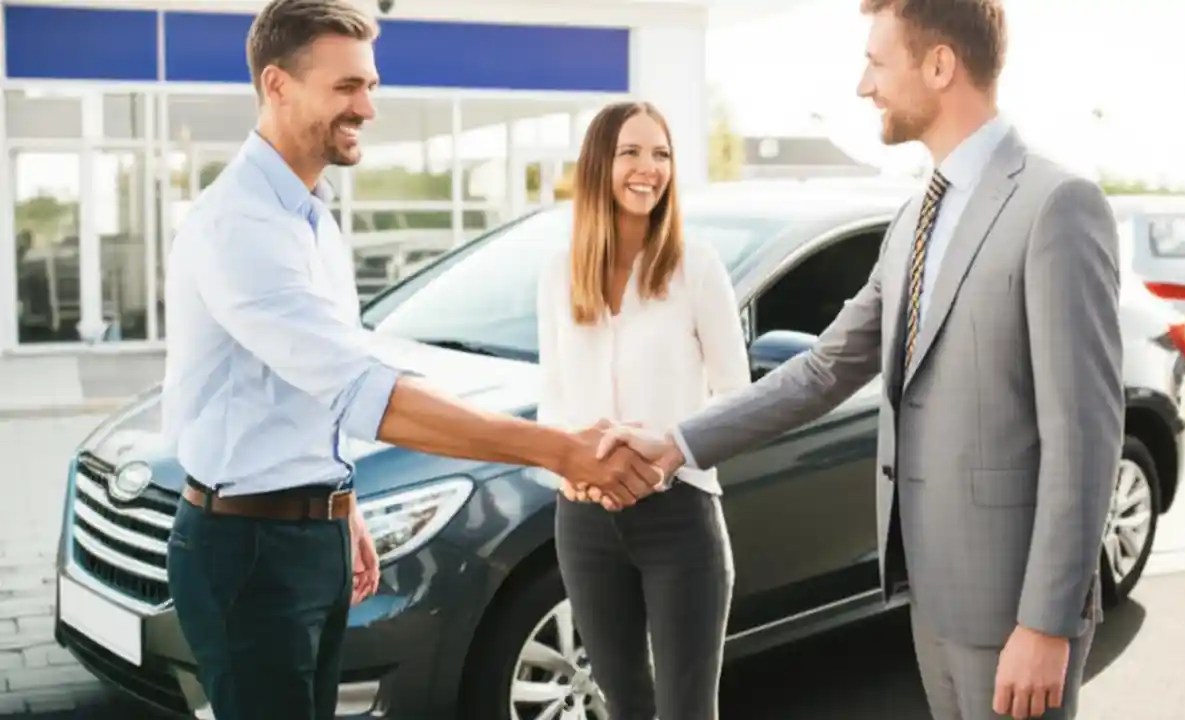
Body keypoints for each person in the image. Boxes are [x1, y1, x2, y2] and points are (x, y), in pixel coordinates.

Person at [596, 1, 1123, 719]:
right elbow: (825, 368)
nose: (863, 85)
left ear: (940, 66)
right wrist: (675, 443)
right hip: (930, 595)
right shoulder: (913, 218)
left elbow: (1085, 436)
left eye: (877, 63)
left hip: (1015, 611)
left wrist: (1047, 622)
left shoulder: (1057, 204)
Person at [159, 2, 663, 719]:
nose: (368, 107)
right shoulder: (241, 226)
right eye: (346, 87)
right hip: (251, 552)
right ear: (276, 84)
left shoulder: (309, 214)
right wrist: (560, 451)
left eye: (370, 85)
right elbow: (366, 391)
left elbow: (312, 386)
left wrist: (341, 503)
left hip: (309, 531)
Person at [536, 101, 750, 720]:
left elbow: (737, 396)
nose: (648, 168)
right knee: (624, 704)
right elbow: (553, 395)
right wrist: (567, 469)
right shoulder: (558, 272)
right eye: (630, 152)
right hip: (583, 521)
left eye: (661, 154)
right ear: (599, 164)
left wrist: (666, 448)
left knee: (686, 709)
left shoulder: (696, 267)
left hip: (679, 517)